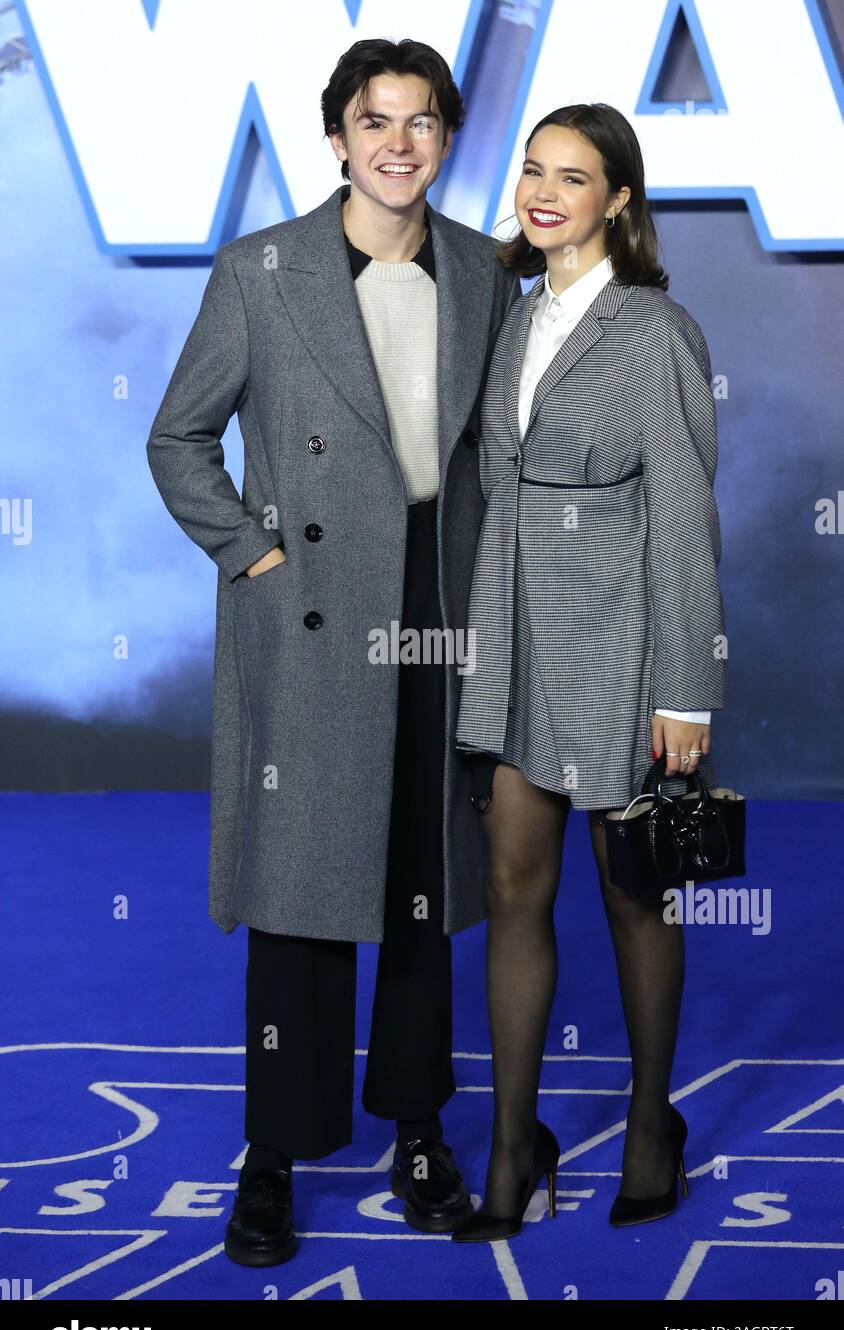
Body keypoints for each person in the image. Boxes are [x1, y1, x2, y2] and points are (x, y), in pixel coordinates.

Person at [146, 37, 521, 1266]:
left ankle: (419, 1130)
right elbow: (178, 437)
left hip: (436, 604)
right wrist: (254, 554)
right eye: (375, 121)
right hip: (310, 613)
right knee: (300, 899)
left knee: (424, 885)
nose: (397, 144)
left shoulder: (482, 270)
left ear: (445, 139)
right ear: (338, 137)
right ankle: (272, 1153)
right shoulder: (263, 269)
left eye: (420, 123)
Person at [451, 102, 726, 1242]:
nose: (544, 190)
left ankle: (651, 1120)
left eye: (574, 175)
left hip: (620, 646)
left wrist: (685, 690)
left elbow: (684, 521)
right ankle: (516, 1142)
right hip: (513, 646)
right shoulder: (513, 319)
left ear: (619, 197)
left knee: (634, 890)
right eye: (531, 169)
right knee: (514, 889)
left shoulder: (655, 331)